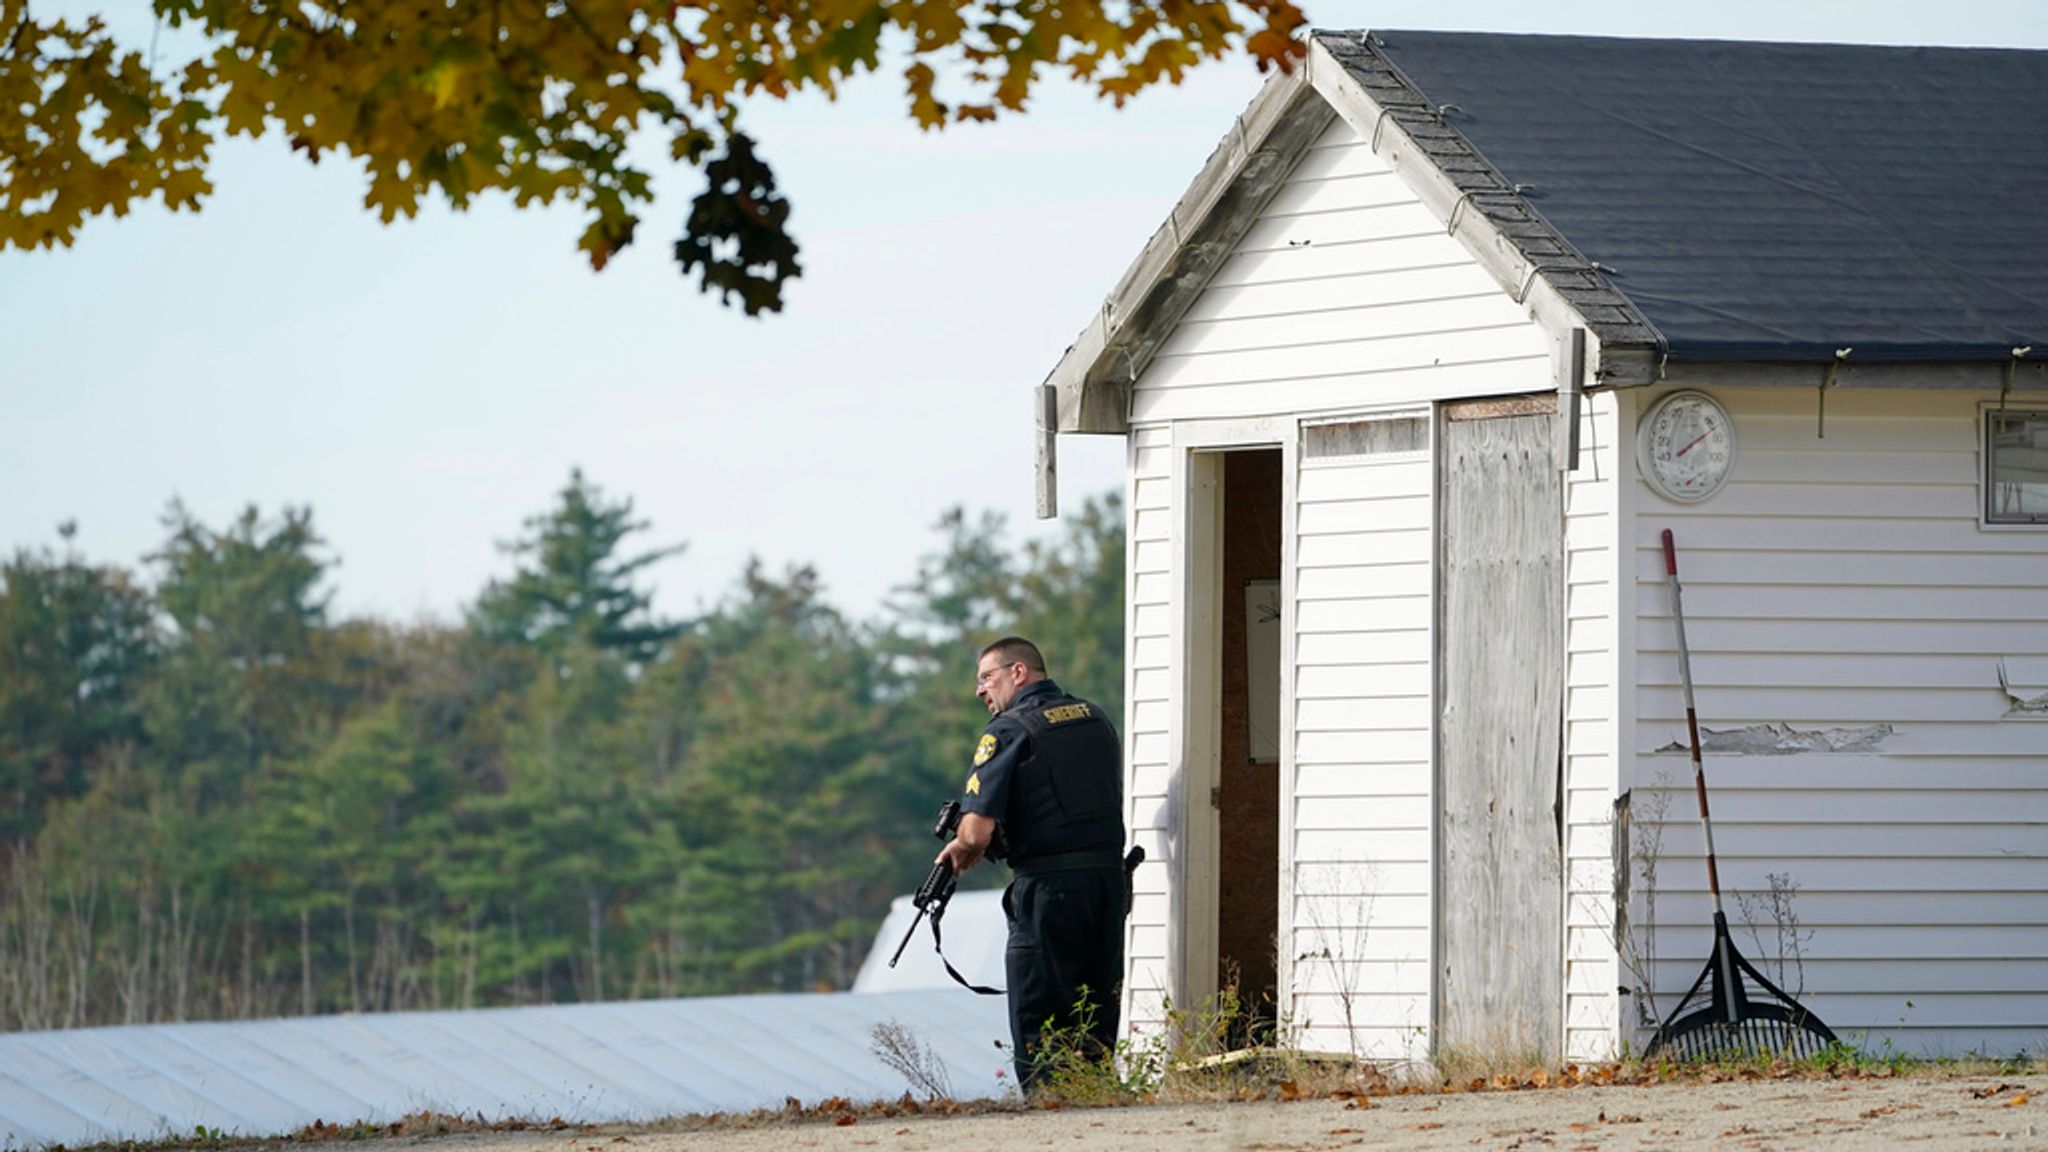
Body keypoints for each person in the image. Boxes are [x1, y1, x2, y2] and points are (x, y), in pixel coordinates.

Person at [937, 636, 1127, 1093]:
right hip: (1108, 885)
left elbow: (976, 833)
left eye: (987, 678)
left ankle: (1051, 1118)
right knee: (1095, 1012)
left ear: (1018, 673)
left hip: (1049, 891)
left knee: (1040, 1017)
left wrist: (960, 851)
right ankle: (1099, 1107)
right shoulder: (1095, 717)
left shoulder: (1007, 730)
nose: (980, 691)